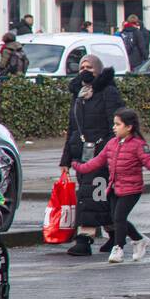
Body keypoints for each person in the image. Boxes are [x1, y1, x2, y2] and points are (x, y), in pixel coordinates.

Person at [71, 108, 150, 264]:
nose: (114, 127)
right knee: (116, 218)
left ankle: (118, 248)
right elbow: (96, 162)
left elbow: (149, 162)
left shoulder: (139, 145)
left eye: (118, 124)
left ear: (129, 127)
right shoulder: (111, 144)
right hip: (114, 188)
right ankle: (139, 240)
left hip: (132, 190)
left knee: (119, 217)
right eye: (114, 124)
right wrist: (78, 166)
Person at [59, 54, 124, 256]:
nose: (85, 70)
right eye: (81, 67)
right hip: (81, 154)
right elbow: (73, 128)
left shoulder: (108, 92)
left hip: (101, 154)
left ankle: (84, 238)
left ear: (98, 69)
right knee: (98, 197)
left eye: (89, 66)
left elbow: (116, 124)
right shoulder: (78, 95)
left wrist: (107, 149)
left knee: (90, 196)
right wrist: (66, 159)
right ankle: (114, 233)